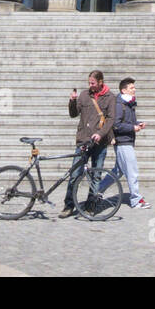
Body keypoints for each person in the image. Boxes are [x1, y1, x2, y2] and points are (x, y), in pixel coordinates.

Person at [61, 69, 118, 218]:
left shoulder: (110, 97)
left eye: (93, 83)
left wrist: (100, 134)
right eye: (89, 83)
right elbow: (73, 114)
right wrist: (72, 101)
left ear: (100, 82)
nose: (90, 85)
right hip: (83, 140)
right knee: (74, 174)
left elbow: (111, 119)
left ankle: (90, 206)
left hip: (100, 143)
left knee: (96, 175)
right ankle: (68, 205)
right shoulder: (85, 95)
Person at [100, 77, 148, 209]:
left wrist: (138, 124)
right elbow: (116, 125)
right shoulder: (119, 104)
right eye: (131, 88)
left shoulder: (129, 104)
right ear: (124, 90)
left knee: (117, 172)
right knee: (132, 171)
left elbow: (126, 122)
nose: (134, 90)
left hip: (126, 141)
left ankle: (96, 191)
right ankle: (136, 200)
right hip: (123, 142)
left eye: (134, 87)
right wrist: (132, 128)